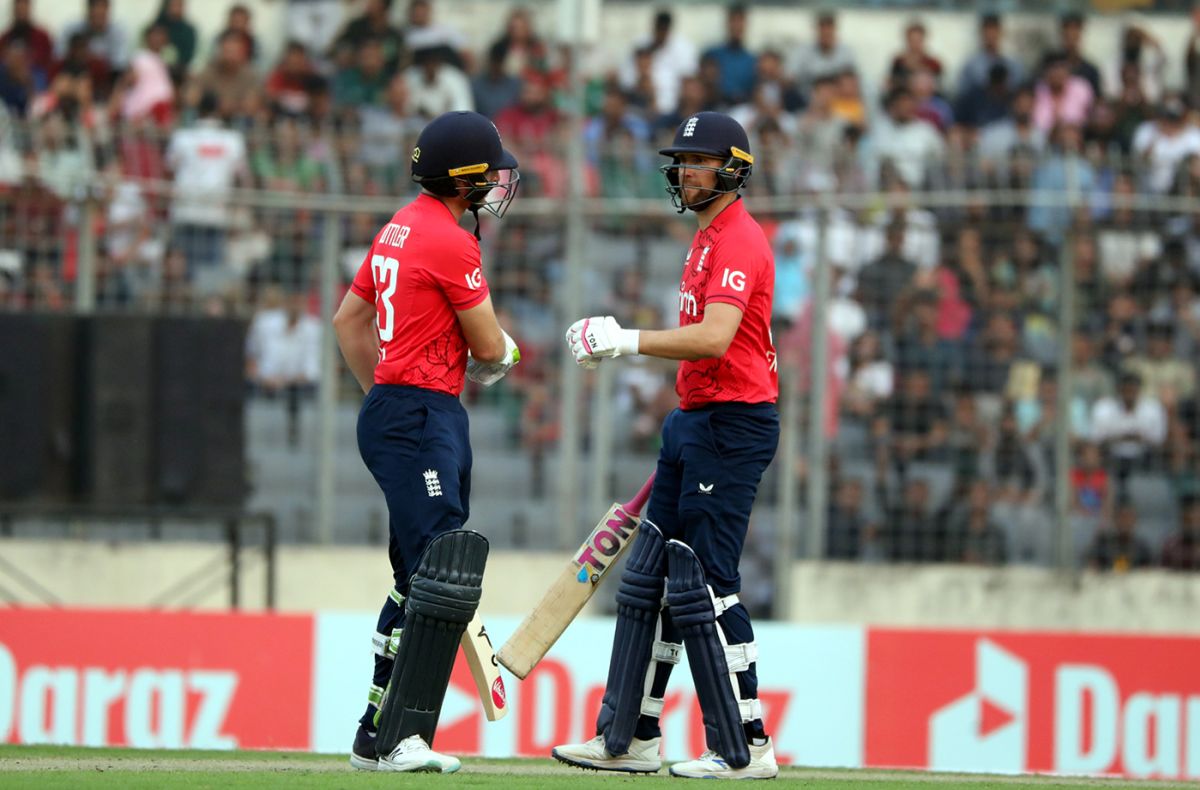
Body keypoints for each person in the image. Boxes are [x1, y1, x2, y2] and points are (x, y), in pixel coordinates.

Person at [554, 112, 780, 780]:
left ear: (732, 170)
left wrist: (624, 341)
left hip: (732, 423)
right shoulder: (706, 236)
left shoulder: (739, 239)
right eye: (681, 162)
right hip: (696, 418)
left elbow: (714, 337)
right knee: (651, 579)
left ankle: (748, 746)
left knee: (708, 584)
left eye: (698, 161)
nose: (684, 172)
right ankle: (631, 737)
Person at [333, 110, 521, 773]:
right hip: (422, 412)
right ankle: (400, 738)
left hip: (405, 409)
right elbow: (489, 346)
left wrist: (381, 397)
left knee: (415, 579)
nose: (496, 183)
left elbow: (349, 321)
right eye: (487, 173)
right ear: (463, 179)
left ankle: (374, 732)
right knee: (439, 575)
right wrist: (503, 354)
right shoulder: (450, 240)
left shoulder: (399, 225)